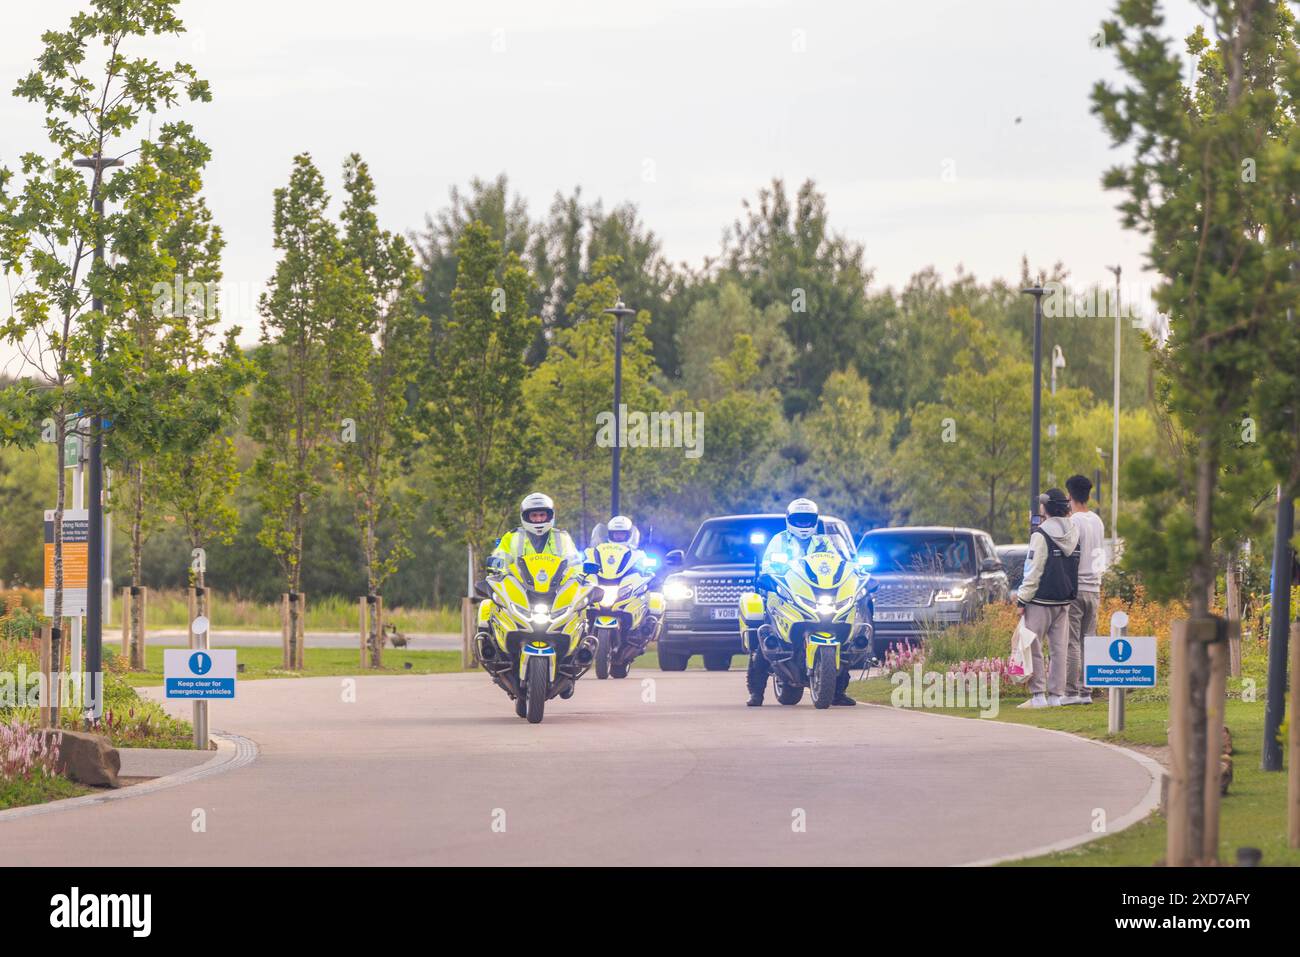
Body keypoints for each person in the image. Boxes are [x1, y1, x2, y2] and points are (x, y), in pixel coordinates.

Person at [748, 498, 858, 708]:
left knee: (847, 643)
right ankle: (756, 693)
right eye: (799, 519)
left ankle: (838, 692)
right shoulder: (779, 541)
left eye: (808, 519)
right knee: (766, 640)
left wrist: (853, 572)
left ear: (815, 521)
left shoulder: (823, 543)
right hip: (784, 597)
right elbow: (768, 565)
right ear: (789, 520)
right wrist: (767, 575)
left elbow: (839, 564)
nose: (804, 524)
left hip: (814, 596)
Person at [1015, 488, 1081, 709]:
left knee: (1033, 645)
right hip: (1064, 598)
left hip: (1040, 600)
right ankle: (1055, 695)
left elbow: (1033, 570)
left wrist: (1022, 600)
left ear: (1046, 507)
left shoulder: (1040, 534)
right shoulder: (1074, 531)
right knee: (1059, 648)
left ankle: (1038, 696)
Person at [1063, 475, 1105, 706]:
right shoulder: (1097, 521)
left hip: (1076, 588)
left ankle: (1071, 692)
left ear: (1069, 496)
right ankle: (1086, 691)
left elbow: (1069, 552)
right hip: (1094, 588)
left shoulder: (1074, 522)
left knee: (1072, 641)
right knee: (1089, 640)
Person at [487, 492, 581, 572]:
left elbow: (574, 563)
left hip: (558, 590)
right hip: (518, 590)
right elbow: (499, 559)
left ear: (549, 515)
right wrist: (496, 568)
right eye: (534, 515)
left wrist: (577, 574)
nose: (538, 519)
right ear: (526, 516)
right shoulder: (511, 537)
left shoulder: (562, 537)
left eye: (542, 515)